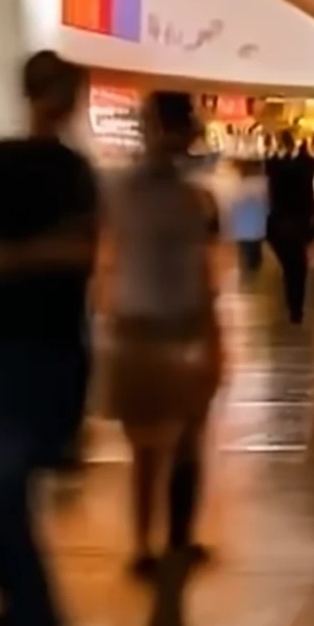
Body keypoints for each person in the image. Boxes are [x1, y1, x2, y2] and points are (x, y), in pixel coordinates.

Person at [0, 51, 100, 626]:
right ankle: (29, 610)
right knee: (7, 484)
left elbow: (80, 254)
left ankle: (32, 613)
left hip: (33, 347)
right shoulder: (69, 173)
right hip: (42, 346)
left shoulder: (54, 169)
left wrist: (13, 256)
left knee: (5, 483)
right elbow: (79, 254)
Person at [98, 92, 224, 578]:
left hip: (139, 326)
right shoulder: (195, 198)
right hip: (175, 326)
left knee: (149, 448)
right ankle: (173, 541)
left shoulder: (122, 191)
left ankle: (149, 544)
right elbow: (207, 273)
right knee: (179, 439)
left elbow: (107, 260)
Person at [265, 131, 314, 324]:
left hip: (279, 222)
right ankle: (296, 307)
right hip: (300, 221)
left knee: (290, 266)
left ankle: (293, 304)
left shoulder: (274, 167)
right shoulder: (305, 167)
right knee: (298, 267)